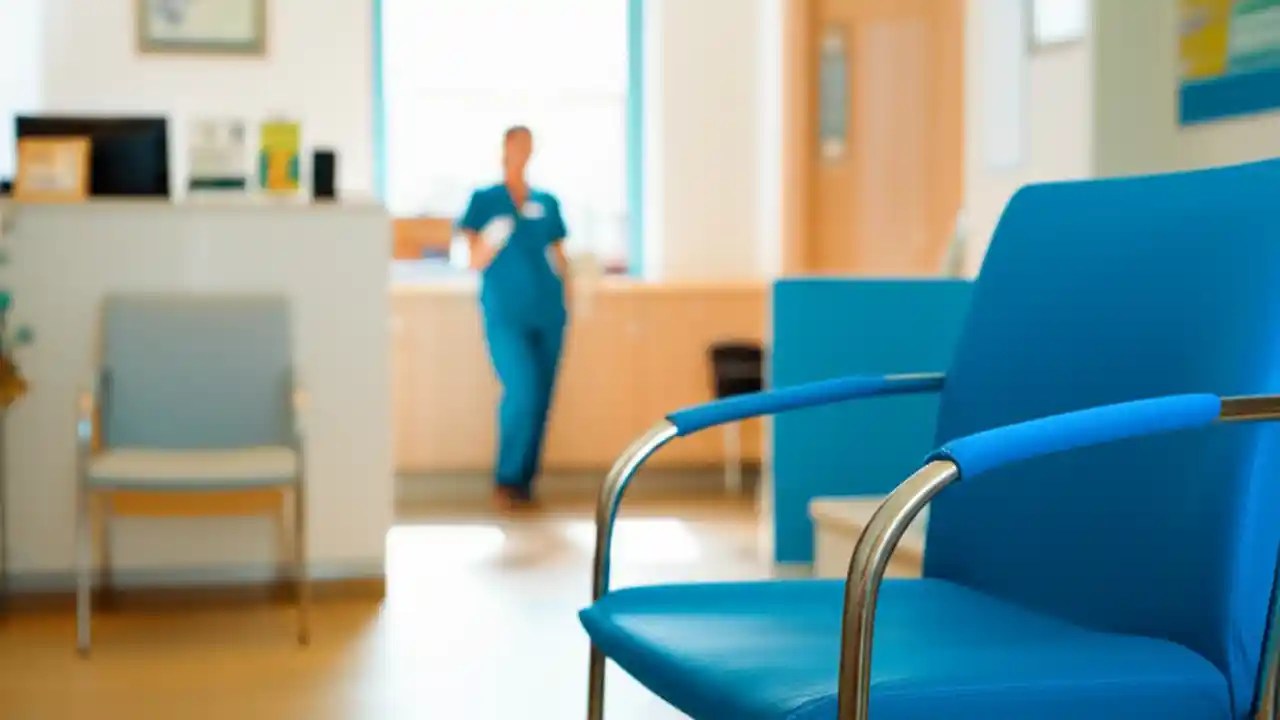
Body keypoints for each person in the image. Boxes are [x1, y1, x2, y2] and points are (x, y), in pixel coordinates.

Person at [459, 126, 570, 510]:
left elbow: (560, 257)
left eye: (528, 145)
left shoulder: (547, 201)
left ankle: (525, 483)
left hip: (549, 312)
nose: (522, 151)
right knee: (521, 391)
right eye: (515, 145)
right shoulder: (486, 200)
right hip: (506, 312)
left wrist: (573, 298)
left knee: (541, 398)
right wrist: (491, 238)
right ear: (504, 149)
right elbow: (471, 259)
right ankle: (505, 479)